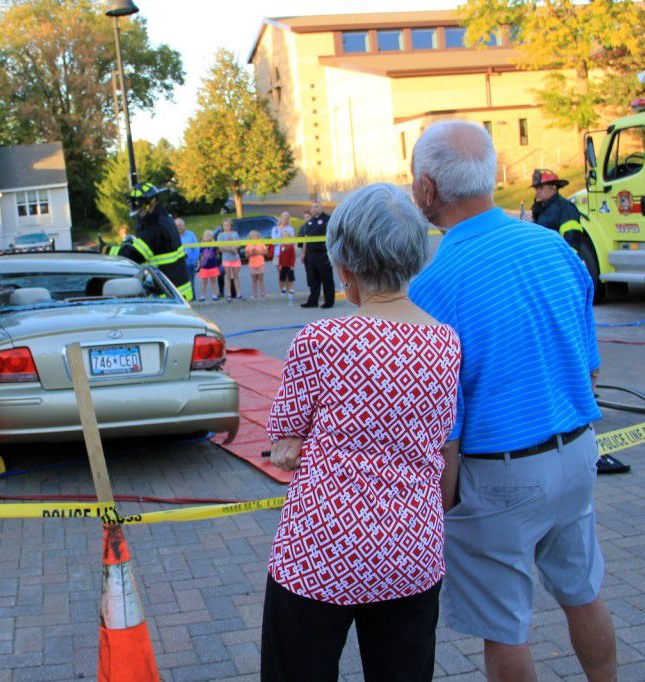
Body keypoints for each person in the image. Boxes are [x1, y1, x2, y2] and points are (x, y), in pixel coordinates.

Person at [408, 120, 617, 682]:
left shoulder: (431, 288)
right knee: (581, 592)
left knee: (505, 628)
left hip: (500, 475)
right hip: (576, 453)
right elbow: (590, 364)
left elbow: (446, 428)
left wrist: (444, 505)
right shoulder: (553, 247)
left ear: (426, 189)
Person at [262, 183, 461, 682]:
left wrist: (297, 445)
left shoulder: (320, 340)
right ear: (415, 256)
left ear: (345, 265)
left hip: (321, 547)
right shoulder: (445, 343)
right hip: (411, 544)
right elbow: (439, 439)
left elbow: (285, 444)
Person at [104, 183, 192, 301]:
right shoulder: (165, 218)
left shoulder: (154, 225)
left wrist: (107, 250)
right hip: (177, 289)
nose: (139, 213)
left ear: (152, 202)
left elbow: (135, 255)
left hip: (166, 293)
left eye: (140, 208)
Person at [530, 169, 583, 246]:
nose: (537, 191)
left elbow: (572, 241)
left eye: (541, 187)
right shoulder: (541, 209)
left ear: (554, 187)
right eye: (536, 188)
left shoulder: (566, 208)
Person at [299, 201, 334, 308]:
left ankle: (329, 301)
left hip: (322, 254)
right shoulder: (309, 222)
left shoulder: (327, 220)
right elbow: (305, 238)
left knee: (326, 278)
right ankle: (313, 301)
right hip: (310, 255)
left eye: (316, 207)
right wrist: (304, 253)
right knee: (313, 279)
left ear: (321, 208)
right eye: (312, 207)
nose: (313, 209)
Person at [217, 218, 243, 301]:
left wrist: (234, 248)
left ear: (231, 226)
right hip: (226, 259)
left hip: (235, 258)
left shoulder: (235, 233)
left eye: (228, 225)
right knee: (227, 276)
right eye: (225, 225)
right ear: (222, 226)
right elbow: (220, 248)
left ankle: (239, 294)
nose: (227, 227)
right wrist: (230, 249)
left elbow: (239, 244)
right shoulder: (220, 235)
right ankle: (228, 295)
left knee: (236, 276)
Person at [176, 218, 199, 301]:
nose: (179, 227)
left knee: (190, 283)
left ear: (184, 225)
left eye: (180, 225)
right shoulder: (173, 236)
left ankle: (193, 300)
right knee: (179, 284)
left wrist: (194, 260)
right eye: (177, 226)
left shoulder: (191, 234)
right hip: (178, 265)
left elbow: (196, 248)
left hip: (189, 264)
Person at [275, 213, 297, 299]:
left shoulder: (290, 246)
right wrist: (280, 264)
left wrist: (292, 265)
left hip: (289, 265)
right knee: (282, 277)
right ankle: (283, 289)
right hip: (282, 264)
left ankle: (290, 289)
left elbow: (293, 256)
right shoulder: (281, 246)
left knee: (290, 277)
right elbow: (280, 256)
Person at [197, 230, 221, 301]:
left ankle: (215, 295)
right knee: (204, 283)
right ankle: (202, 296)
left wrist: (216, 248)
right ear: (203, 237)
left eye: (209, 236)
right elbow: (201, 256)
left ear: (211, 237)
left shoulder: (214, 245)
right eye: (205, 236)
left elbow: (217, 253)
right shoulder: (202, 246)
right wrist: (201, 265)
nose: (207, 237)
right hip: (204, 267)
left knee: (213, 282)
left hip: (212, 266)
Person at [246, 230, 268, 299]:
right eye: (252, 237)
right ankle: (254, 294)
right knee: (254, 280)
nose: (253, 238)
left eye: (255, 236)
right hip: (252, 265)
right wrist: (251, 253)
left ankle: (263, 294)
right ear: (249, 238)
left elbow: (266, 253)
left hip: (260, 264)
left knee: (261, 280)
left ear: (258, 237)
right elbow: (246, 255)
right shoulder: (248, 244)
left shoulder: (261, 243)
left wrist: (258, 252)